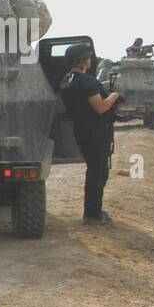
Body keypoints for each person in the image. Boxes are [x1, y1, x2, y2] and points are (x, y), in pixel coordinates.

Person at [59, 42, 122, 226]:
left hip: (81, 129)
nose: (90, 60)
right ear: (81, 61)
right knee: (98, 172)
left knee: (97, 171)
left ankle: (93, 211)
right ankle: (93, 214)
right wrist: (114, 96)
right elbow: (100, 107)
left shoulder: (67, 80)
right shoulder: (87, 81)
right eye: (87, 58)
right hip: (95, 132)